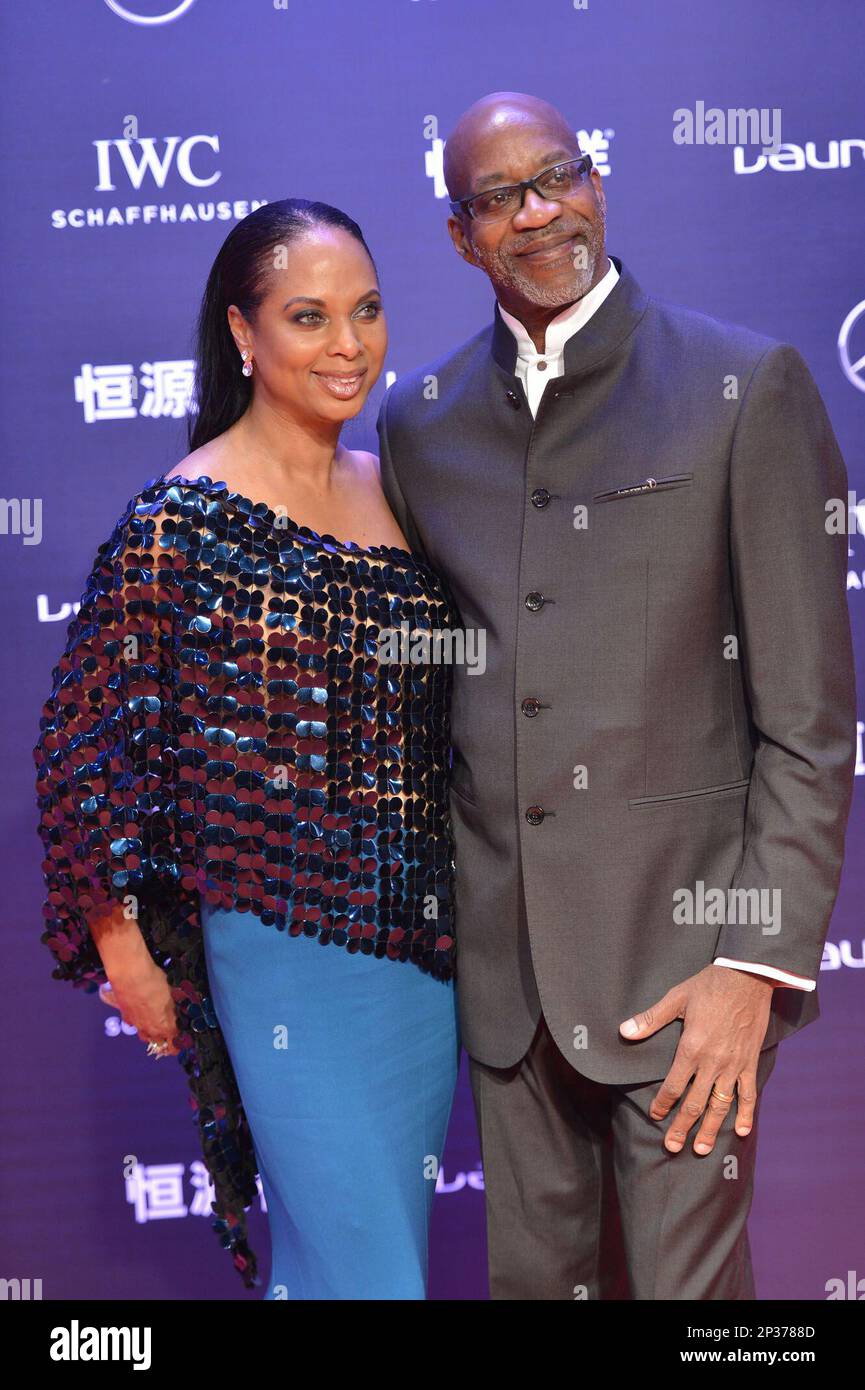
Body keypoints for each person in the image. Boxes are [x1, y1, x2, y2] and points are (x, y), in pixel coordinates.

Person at [376, 93, 856, 1300]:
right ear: (460, 234)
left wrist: (752, 966)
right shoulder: (421, 429)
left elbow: (808, 722)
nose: (542, 213)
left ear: (598, 184)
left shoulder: (745, 386)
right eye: (503, 198)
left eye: (561, 177)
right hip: (507, 996)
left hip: (685, 975)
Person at [33, 198, 460, 1299]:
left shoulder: (401, 491)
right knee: (367, 1270)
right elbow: (85, 755)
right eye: (309, 317)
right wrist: (127, 954)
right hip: (284, 954)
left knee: (359, 1260)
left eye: (365, 312)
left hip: (418, 956)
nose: (349, 344)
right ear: (243, 333)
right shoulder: (184, 519)